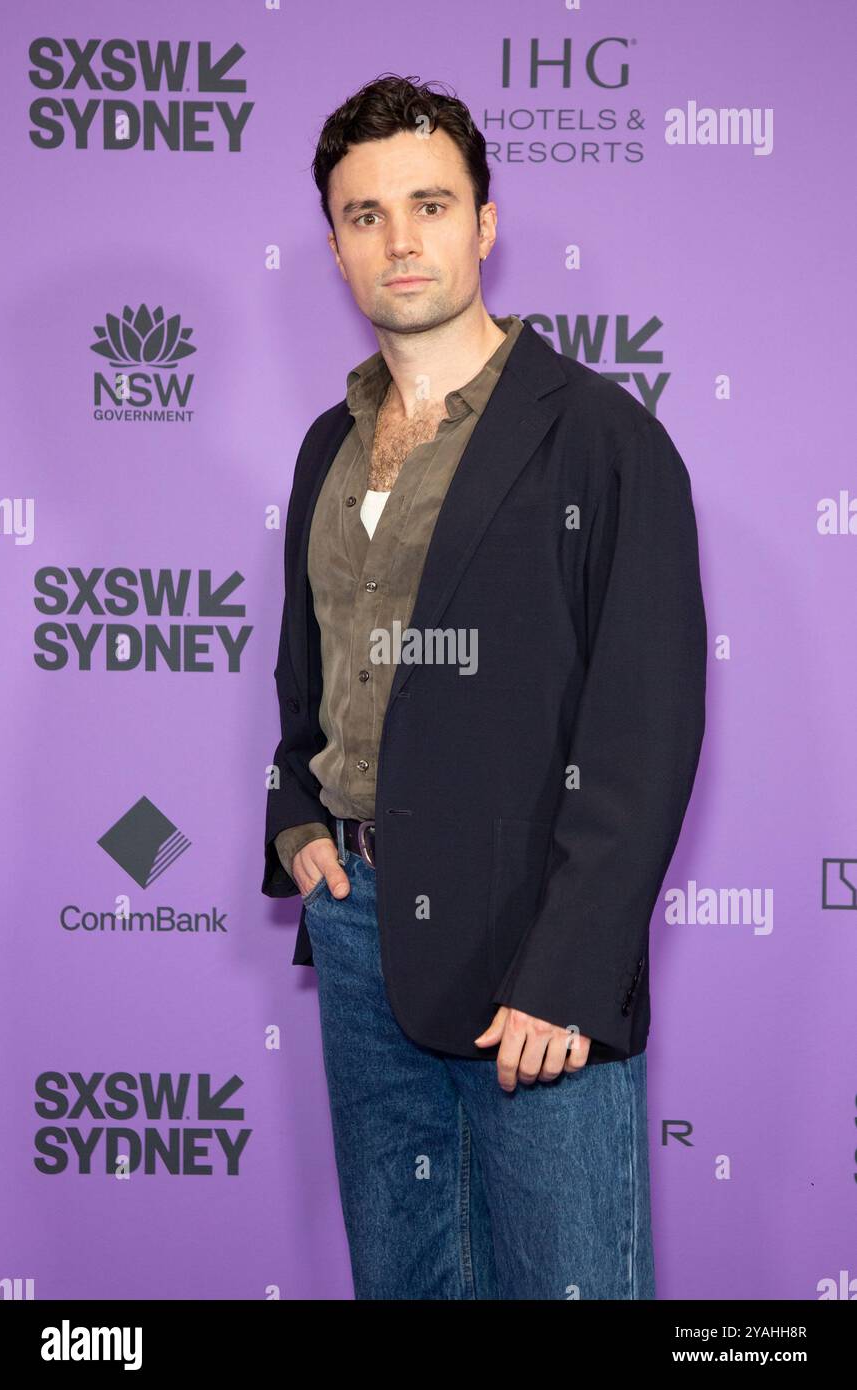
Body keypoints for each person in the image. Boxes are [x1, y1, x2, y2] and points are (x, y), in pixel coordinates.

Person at [262, 73, 707, 1300]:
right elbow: (312, 665)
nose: (399, 240)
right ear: (335, 241)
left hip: (531, 941)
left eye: (429, 203)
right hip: (356, 930)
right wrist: (294, 819)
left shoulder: (602, 441)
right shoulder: (326, 445)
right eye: (364, 214)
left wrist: (567, 970)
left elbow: (645, 721)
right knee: (405, 1282)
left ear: (485, 223)